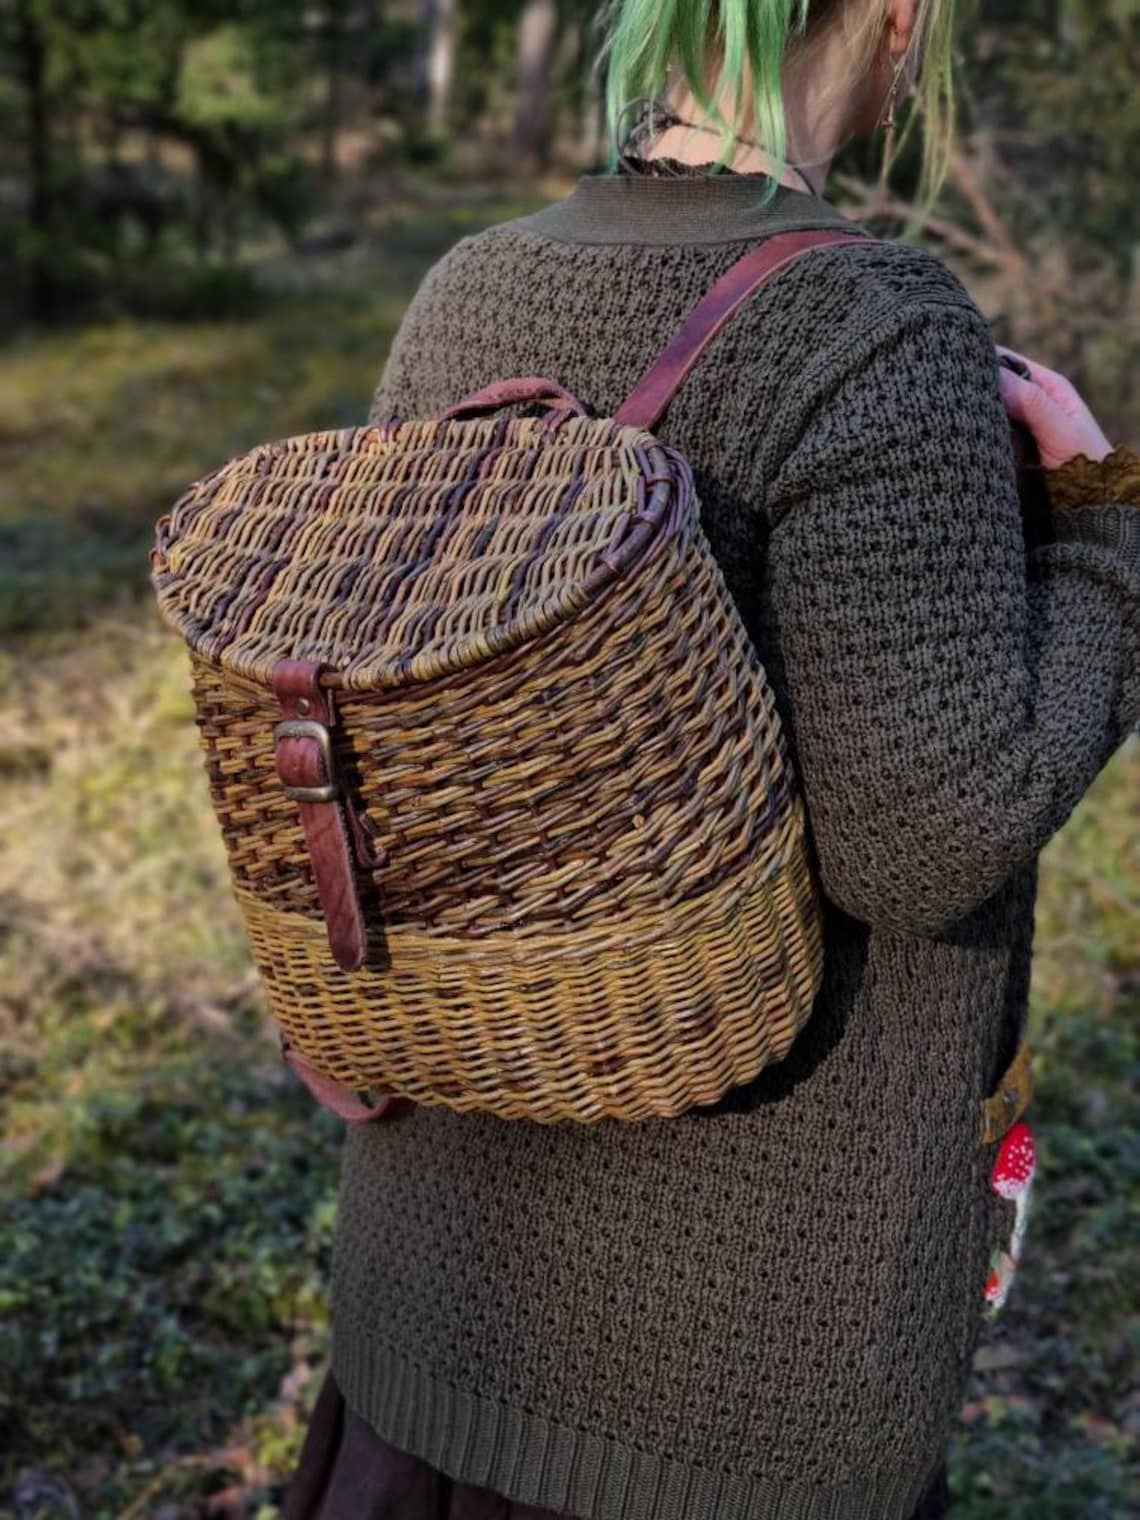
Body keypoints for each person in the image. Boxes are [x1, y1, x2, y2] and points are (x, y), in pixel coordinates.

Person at [283, 1, 1140, 1516]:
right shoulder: (883, 324)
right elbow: (930, 841)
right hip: (717, 1405)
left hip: (439, 1322)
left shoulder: (469, 286)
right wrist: (1103, 533)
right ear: (894, 18)